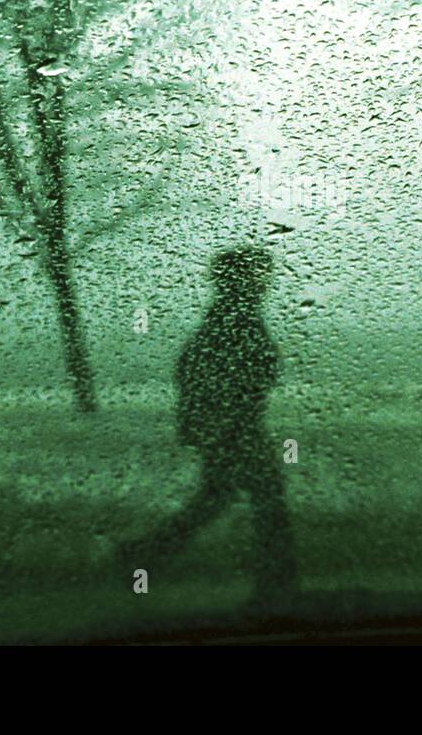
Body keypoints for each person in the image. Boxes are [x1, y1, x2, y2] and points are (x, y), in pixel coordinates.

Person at [119, 245, 297, 604]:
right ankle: (275, 590)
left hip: (229, 423)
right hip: (234, 425)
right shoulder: (235, 317)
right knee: (266, 499)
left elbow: (195, 367)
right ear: (242, 278)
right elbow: (213, 369)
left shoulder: (231, 314)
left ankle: (141, 555)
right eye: (259, 274)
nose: (265, 282)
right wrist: (221, 419)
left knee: (218, 497)